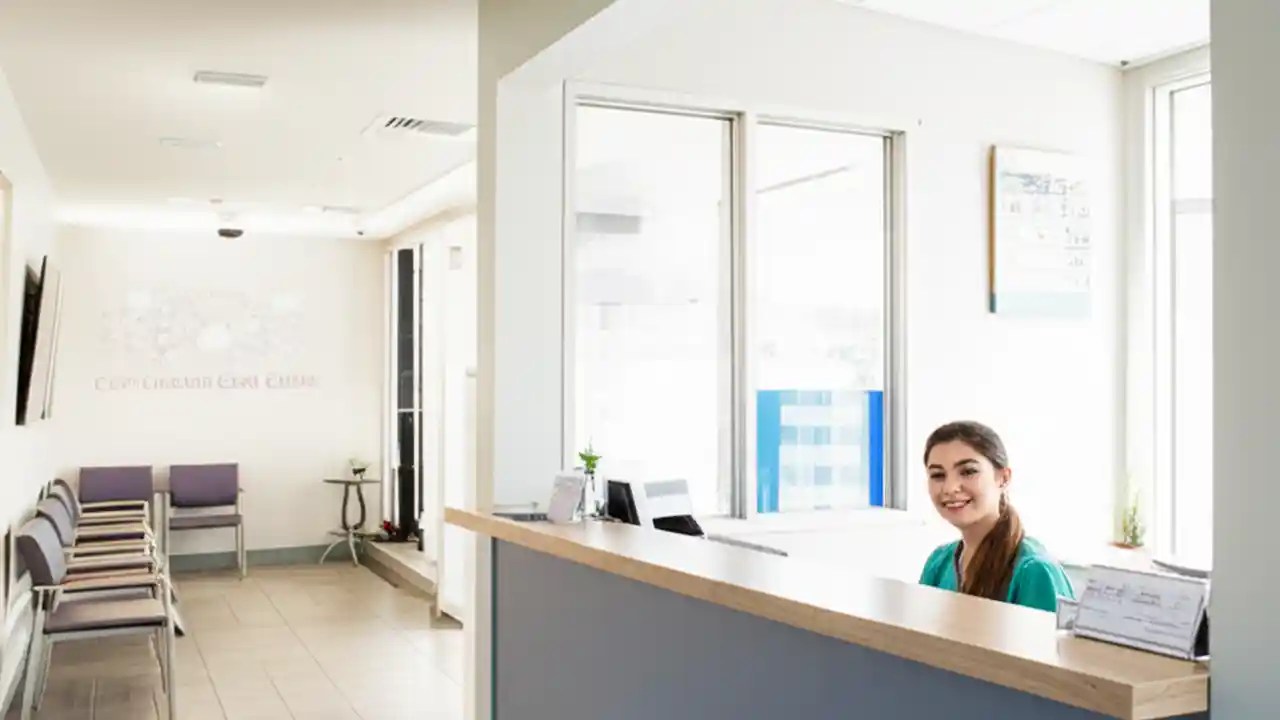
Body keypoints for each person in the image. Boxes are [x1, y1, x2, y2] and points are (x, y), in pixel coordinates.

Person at [918, 421, 1074, 611]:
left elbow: (1051, 641)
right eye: (937, 475)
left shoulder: (1035, 571)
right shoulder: (939, 562)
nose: (950, 488)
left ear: (1003, 478)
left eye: (968, 472)